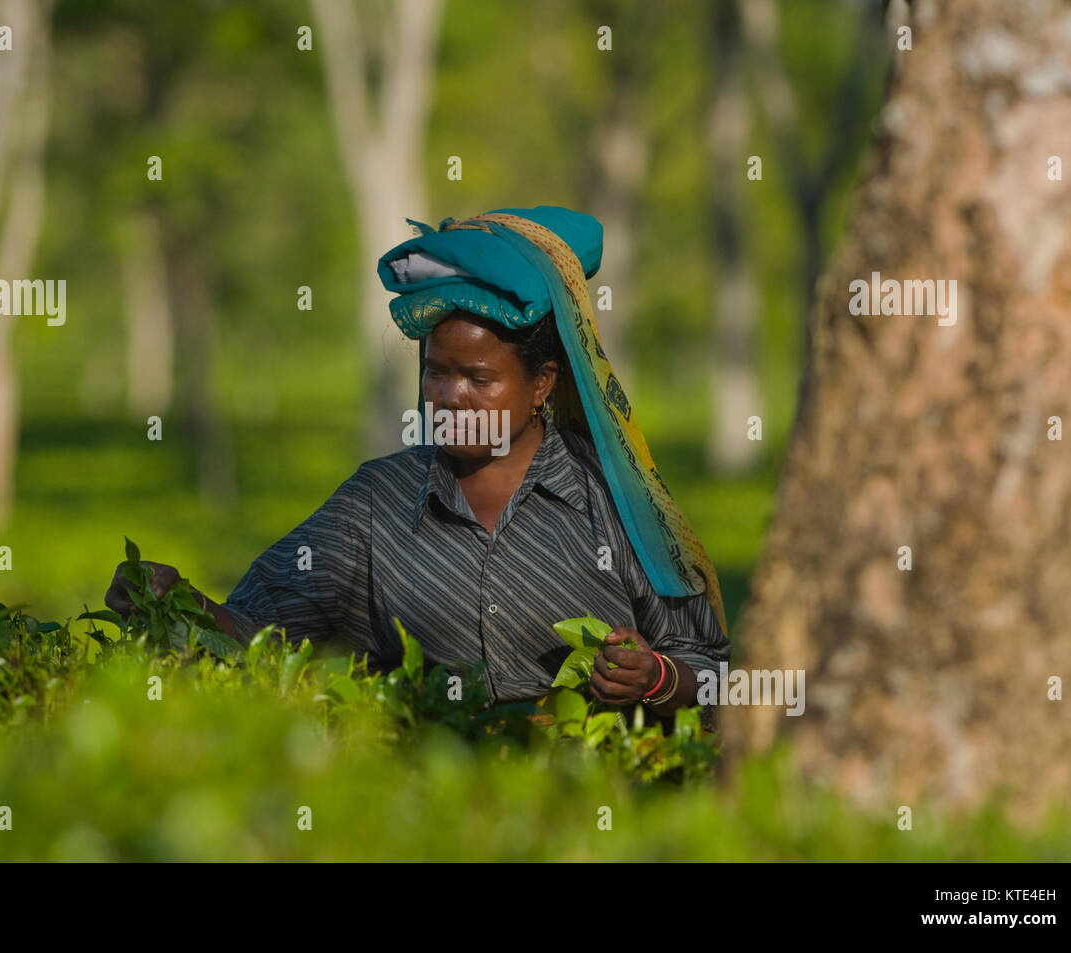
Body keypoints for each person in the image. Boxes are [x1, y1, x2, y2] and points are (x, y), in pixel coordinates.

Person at [106, 206, 730, 727]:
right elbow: (261, 638)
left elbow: (721, 679)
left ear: (542, 383)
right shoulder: (377, 503)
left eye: (479, 378)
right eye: (437, 371)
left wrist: (655, 679)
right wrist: (180, 605)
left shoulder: (615, 502)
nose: (450, 396)